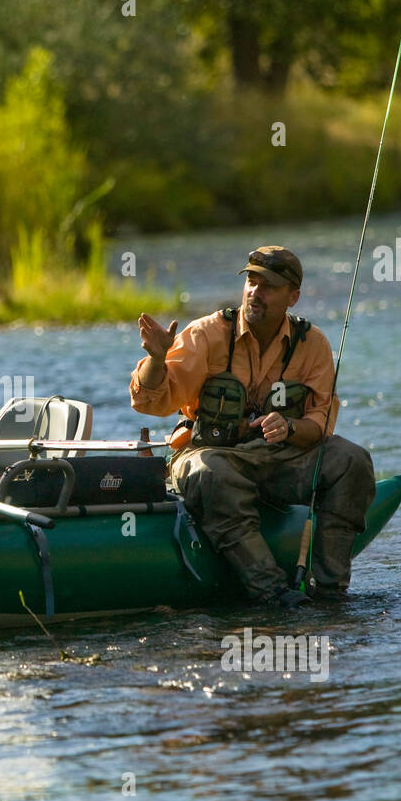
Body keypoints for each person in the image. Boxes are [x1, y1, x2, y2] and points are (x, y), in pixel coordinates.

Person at [130, 245, 375, 607]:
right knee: (211, 472)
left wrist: (290, 428)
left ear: (293, 297)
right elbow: (150, 401)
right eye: (251, 281)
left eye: (269, 286)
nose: (255, 292)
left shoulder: (314, 345)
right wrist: (156, 359)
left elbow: (321, 422)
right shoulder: (206, 335)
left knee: (352, 460)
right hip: (211, 457)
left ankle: (330, 592)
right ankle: (273, 592)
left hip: (279, 461)